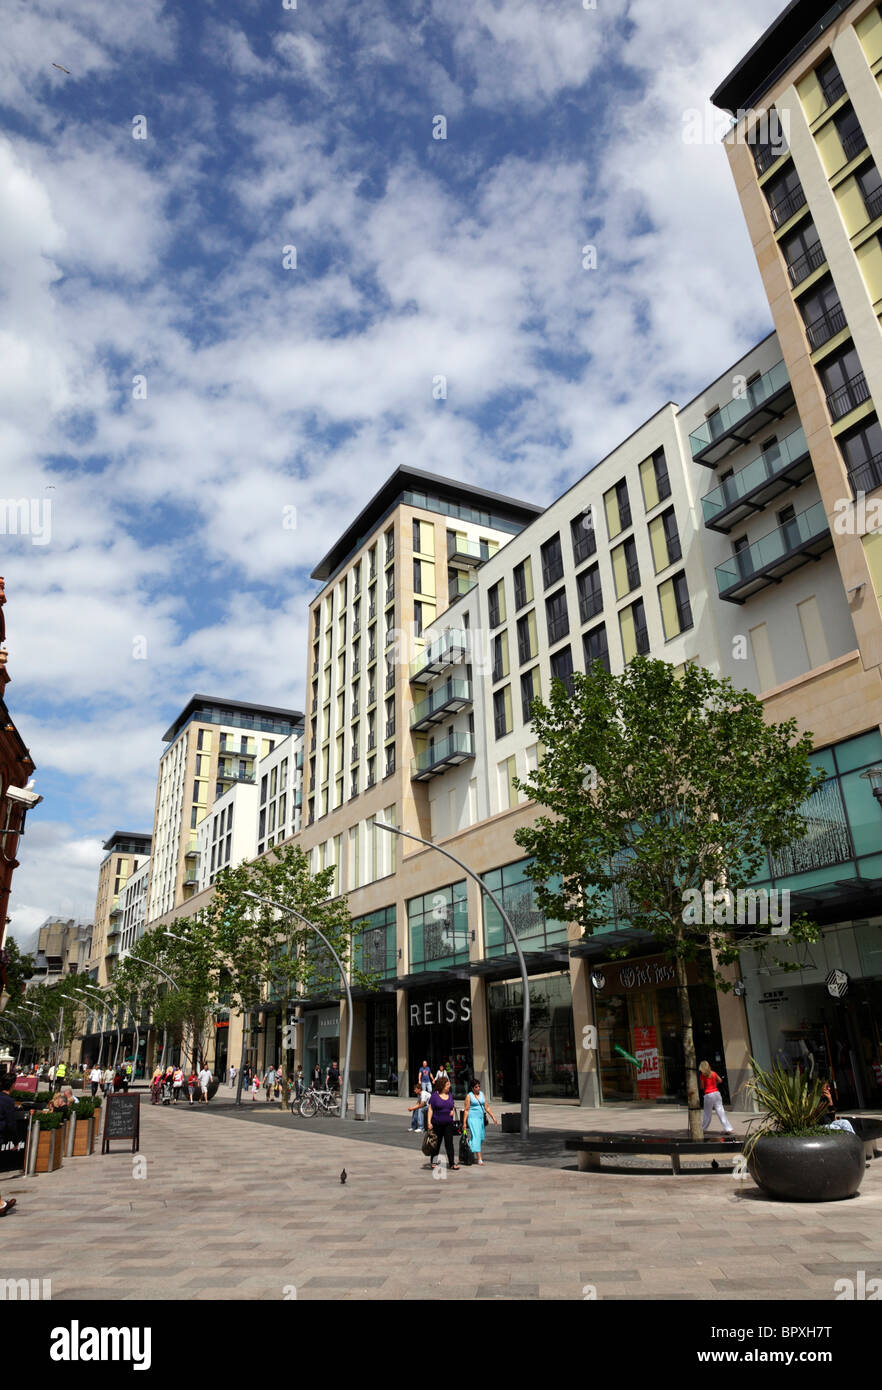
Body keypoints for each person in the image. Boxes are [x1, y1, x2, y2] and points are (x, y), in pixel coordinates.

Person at [462, 1077, 498, 1166]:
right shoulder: (469, 1096)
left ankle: (469, 1147)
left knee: (481, 1137)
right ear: (472, 1088)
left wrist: (493, 1117)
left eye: (479, 1086)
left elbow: (487, 1107)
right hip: (472, 1119)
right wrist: (464, 1122)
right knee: (477, 1137)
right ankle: (479, 1159)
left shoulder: (482, 1094)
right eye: (476, 1087)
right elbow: (466, 1110)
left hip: (481, 1119)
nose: (478, 1088)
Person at [427, 1075, 459, 1171]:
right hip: (437, 1123)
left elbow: (452, 1105)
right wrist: (429, 1122)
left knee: (449, 1144)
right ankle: (434, 1161)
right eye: (447, 1084)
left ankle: (452, 1163)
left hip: (448, 1124)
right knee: (436, 1143)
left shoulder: (449, 1095)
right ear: (442, 1085)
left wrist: (452, 1111)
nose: (449, 1086)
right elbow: (430, 1109)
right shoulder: (434, 1096)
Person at [0, 1073, 21, 1217]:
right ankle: (1, 1205)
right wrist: (15, 1141)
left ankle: (1, 1203)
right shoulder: (7, 1101)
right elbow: (11, 1124)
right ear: (13, 1085)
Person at [698, 1061, 733, 1134]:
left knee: (707, 1113)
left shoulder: (702, 1075)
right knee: (721, 1111)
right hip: (716, 1093)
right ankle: (728, 1128)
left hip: (708, 1094)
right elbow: (720, 1080)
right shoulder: (713, 1073)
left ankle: (704, 1129)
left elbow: (702, 1087)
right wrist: (714, 1083)